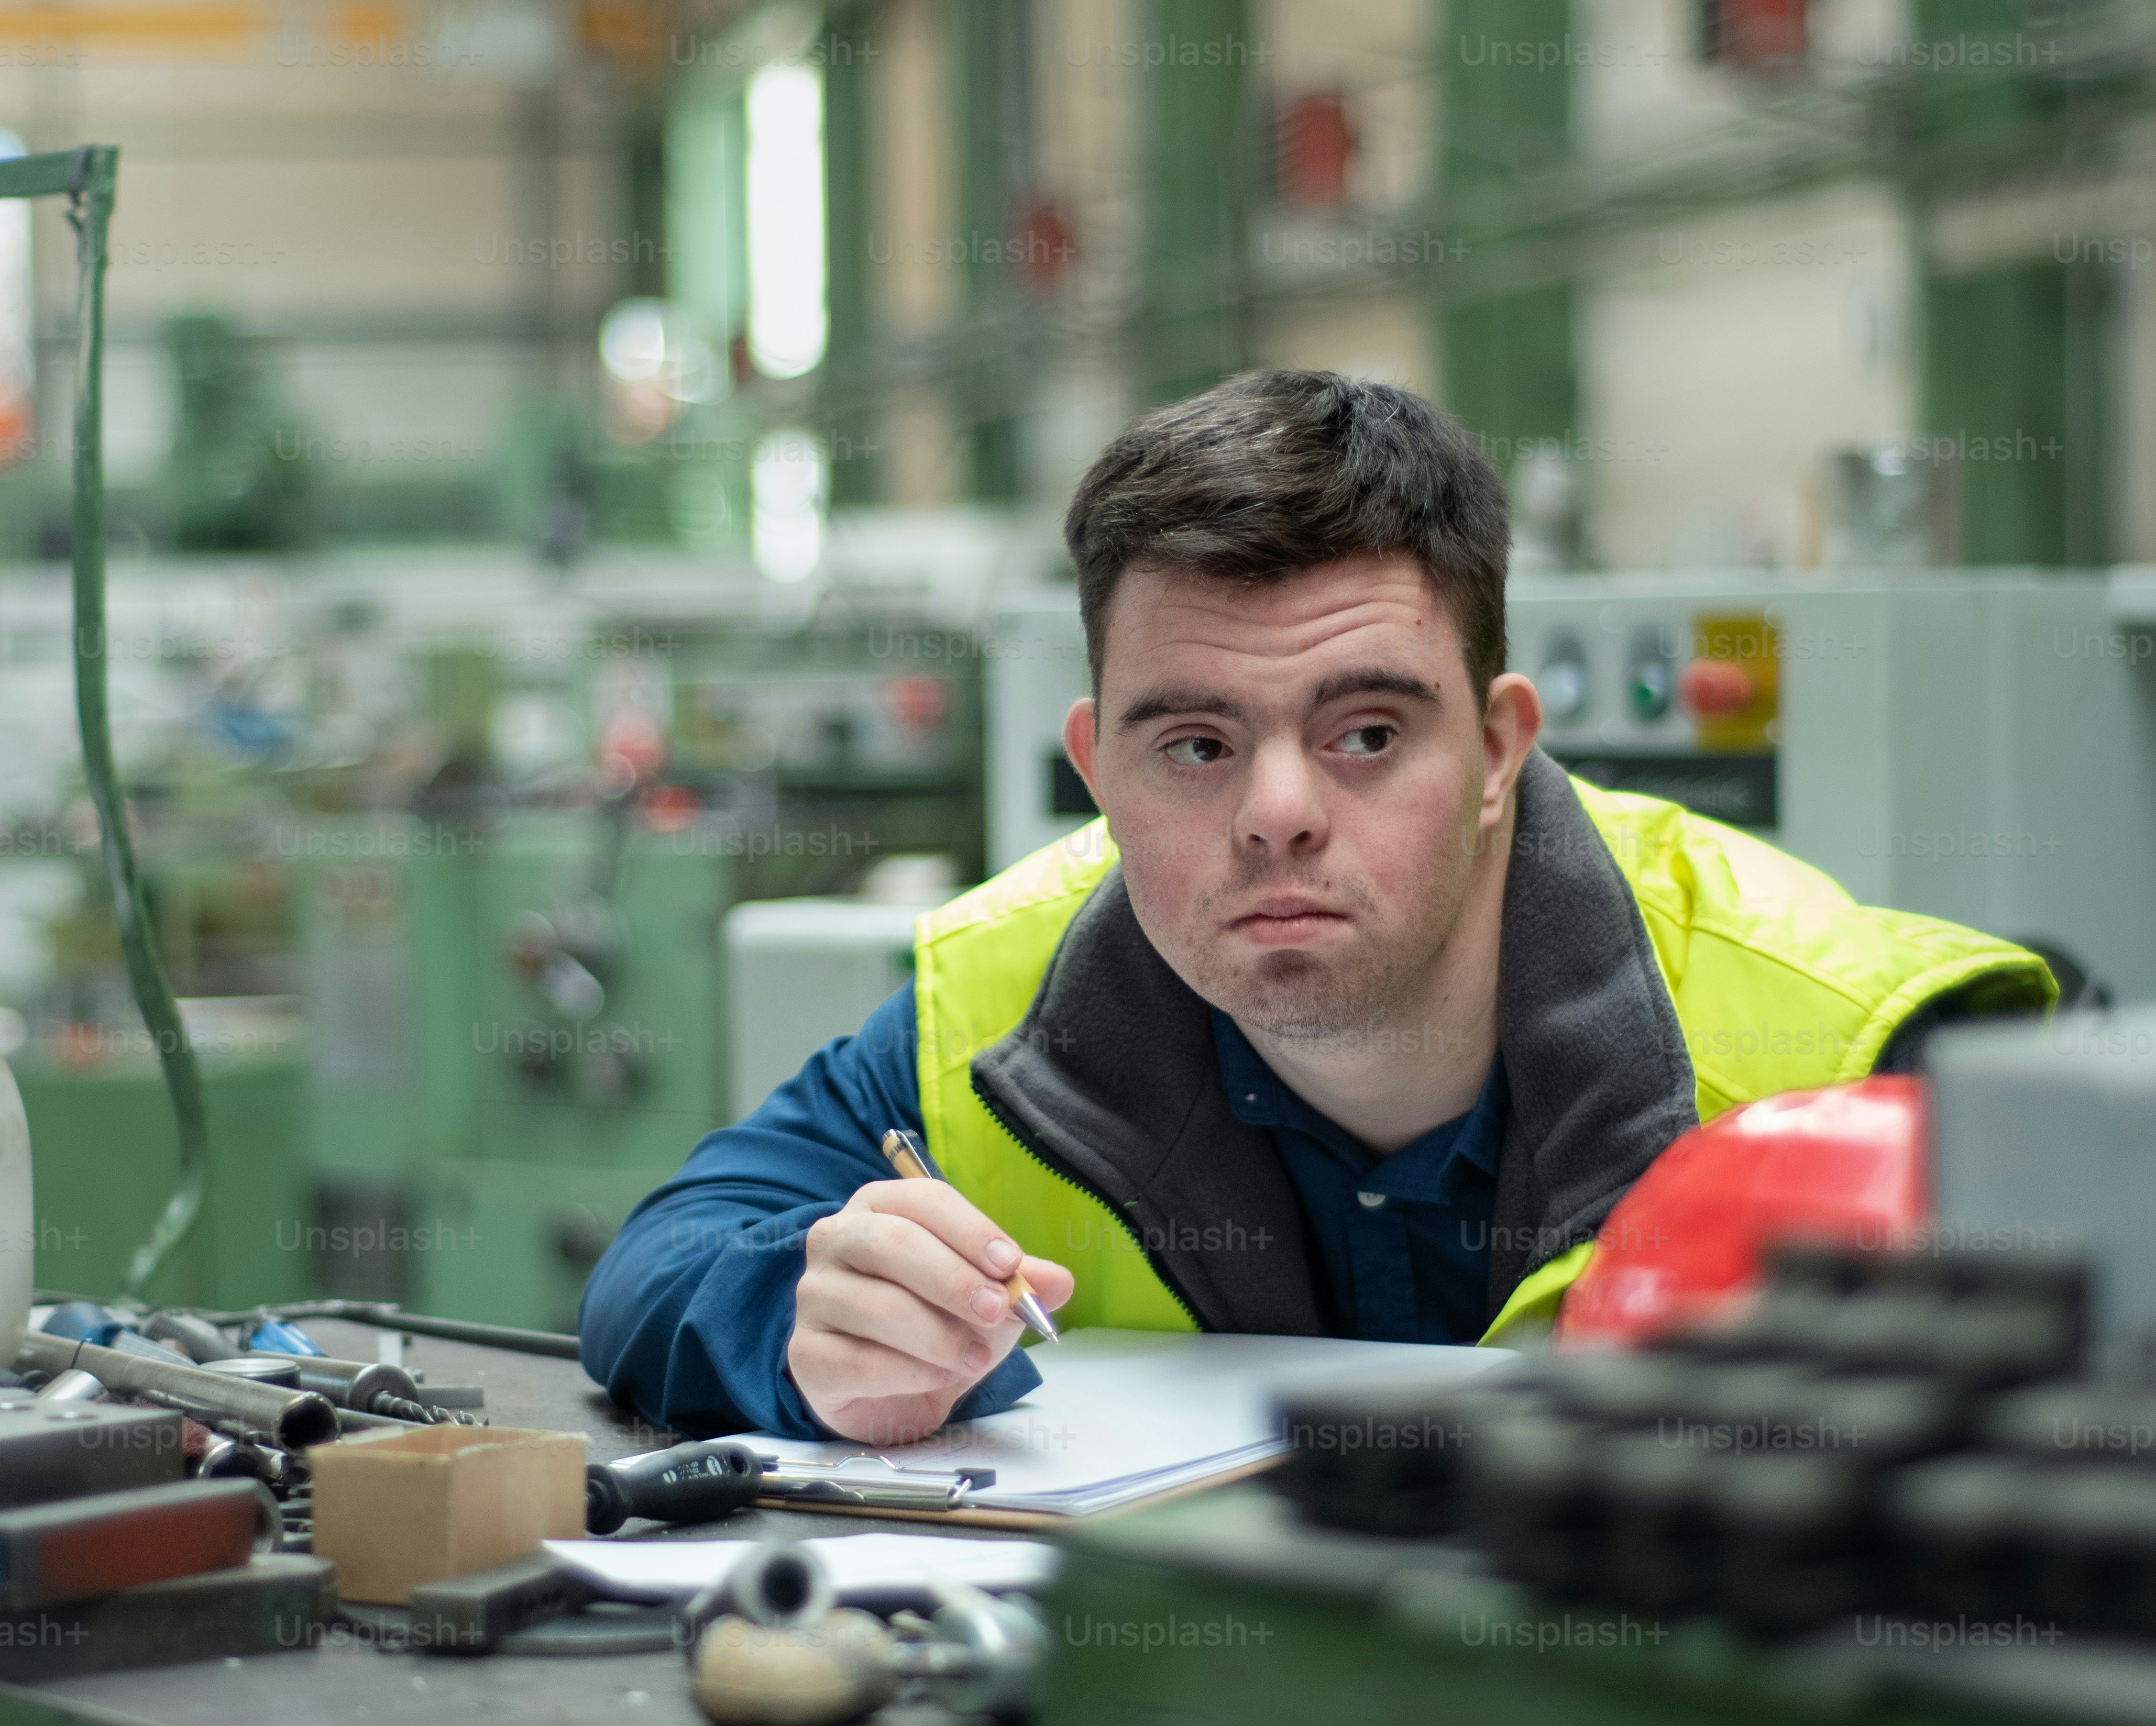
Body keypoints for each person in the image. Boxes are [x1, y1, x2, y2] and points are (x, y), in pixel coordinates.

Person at [582, 370, 2053, 1442]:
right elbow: (657, 1265)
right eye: (1197, 746)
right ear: (1097, 768)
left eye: (1365, 734)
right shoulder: (1006, 1008)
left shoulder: (1852, 1044)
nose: (1277, 811)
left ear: (1496, 750)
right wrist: (800, 1320)